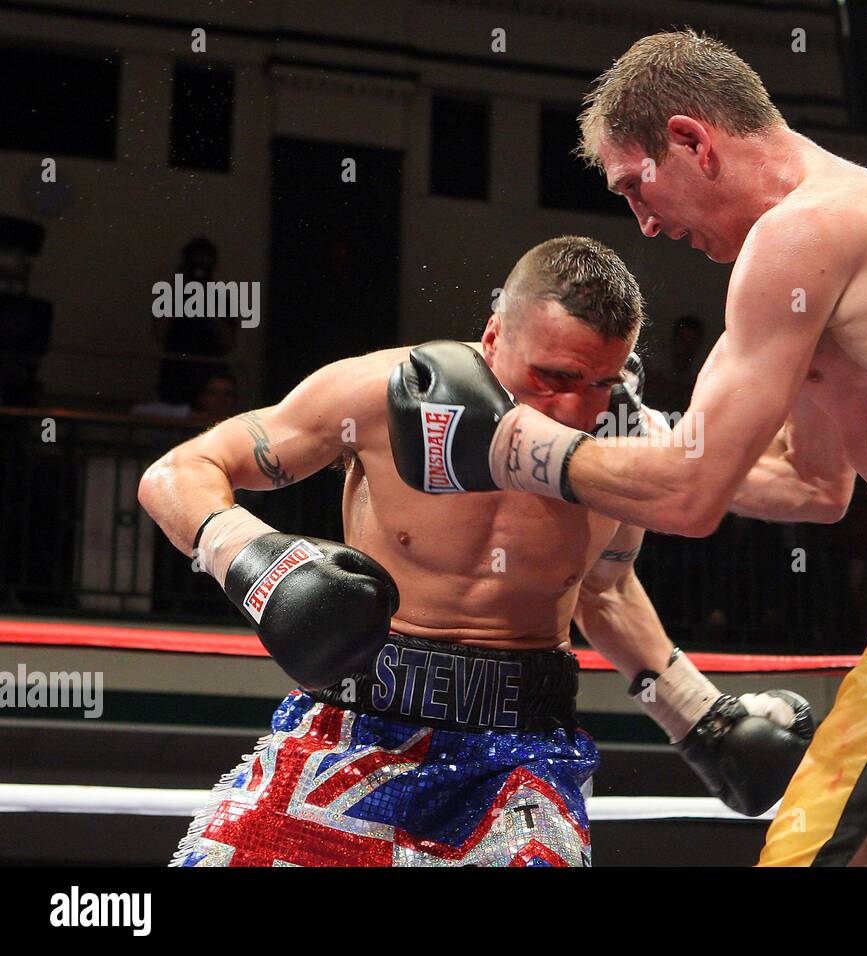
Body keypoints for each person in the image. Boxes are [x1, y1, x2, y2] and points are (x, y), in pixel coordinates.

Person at [386, 31, 867, 866]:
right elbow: (814, 486)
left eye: (636, 186)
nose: (642, 222)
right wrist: (632, 433)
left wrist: (509, 444)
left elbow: (689, 497)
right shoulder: (854, 221)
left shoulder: (797, 236)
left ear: (690, 141)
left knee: (824, 848)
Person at [137, 236, 812, 867]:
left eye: (599, 382)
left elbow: (603, 590)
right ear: (494, 337)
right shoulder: (380, 393)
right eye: (552, 377)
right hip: (353, 724)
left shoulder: (627, 448)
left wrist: (694, 713)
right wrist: (262, 565)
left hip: (520, 748)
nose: (573, 409)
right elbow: (178, 472)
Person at [153, 237, 235, 406]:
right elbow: (160, 335)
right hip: (175, 373)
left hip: (210, 375)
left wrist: (209, 307)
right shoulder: (171, 294)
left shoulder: (221, 297)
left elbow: (228, 342)